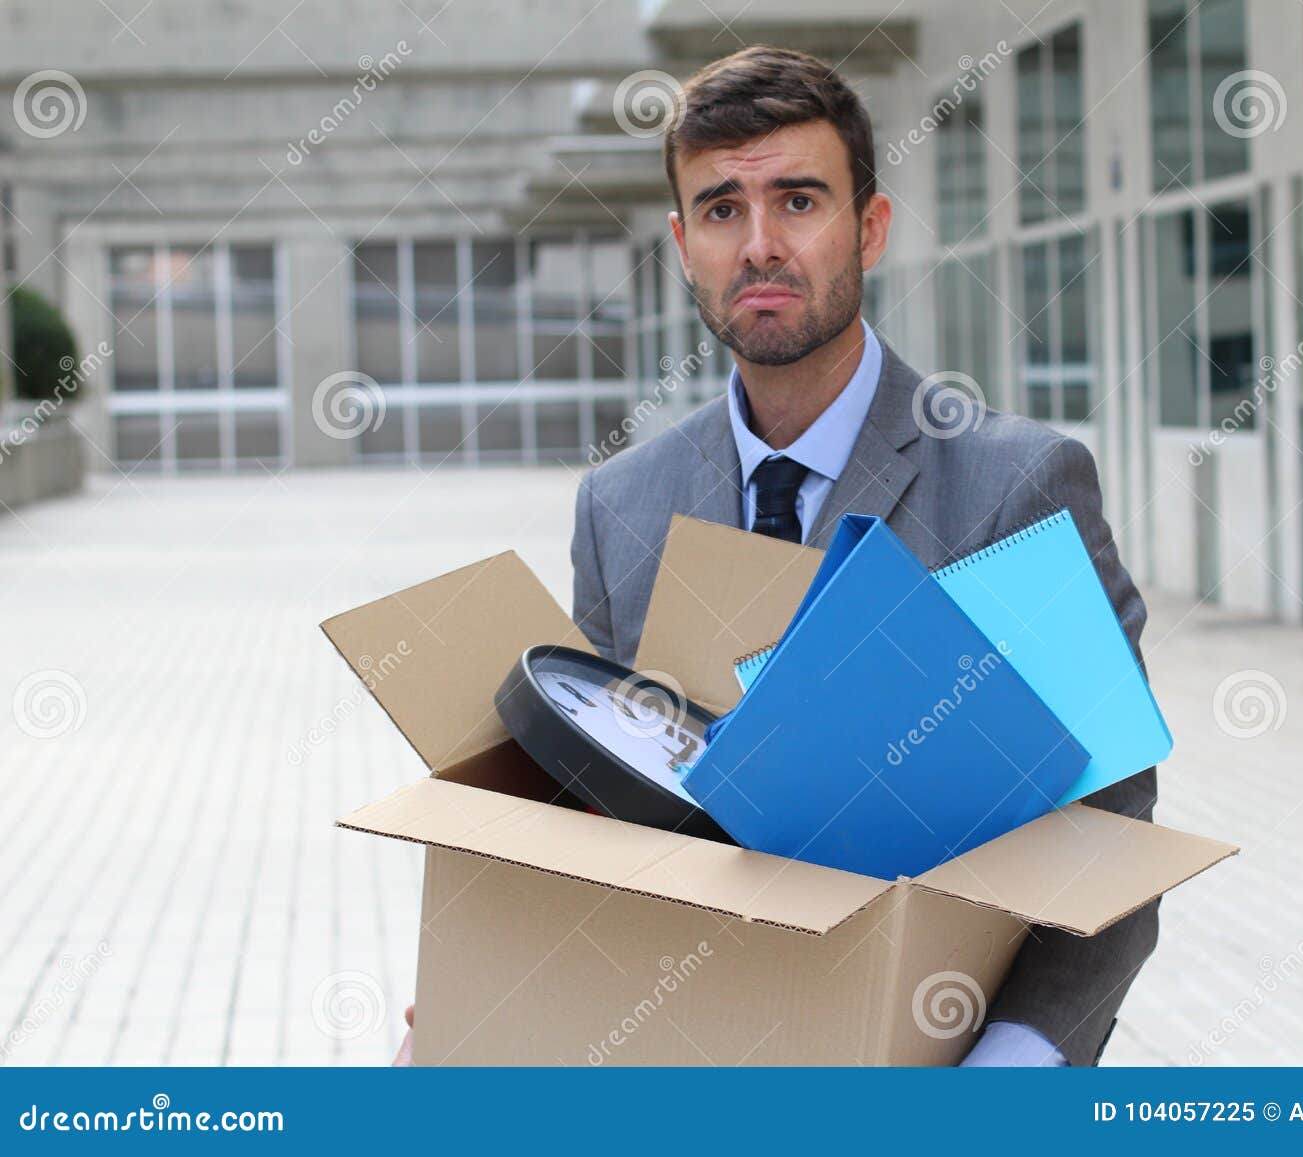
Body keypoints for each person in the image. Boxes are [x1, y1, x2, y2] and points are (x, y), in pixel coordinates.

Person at [395, 43, 1157, 1068]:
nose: (759, 244)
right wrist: (492, 989)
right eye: (721, 209)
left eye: (798, 201)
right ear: (682, 244)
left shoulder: (1012, 485)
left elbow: (1109, 833)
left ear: (870, 227)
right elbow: (602, 821)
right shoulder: (623, 506)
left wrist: (1007, 1068)